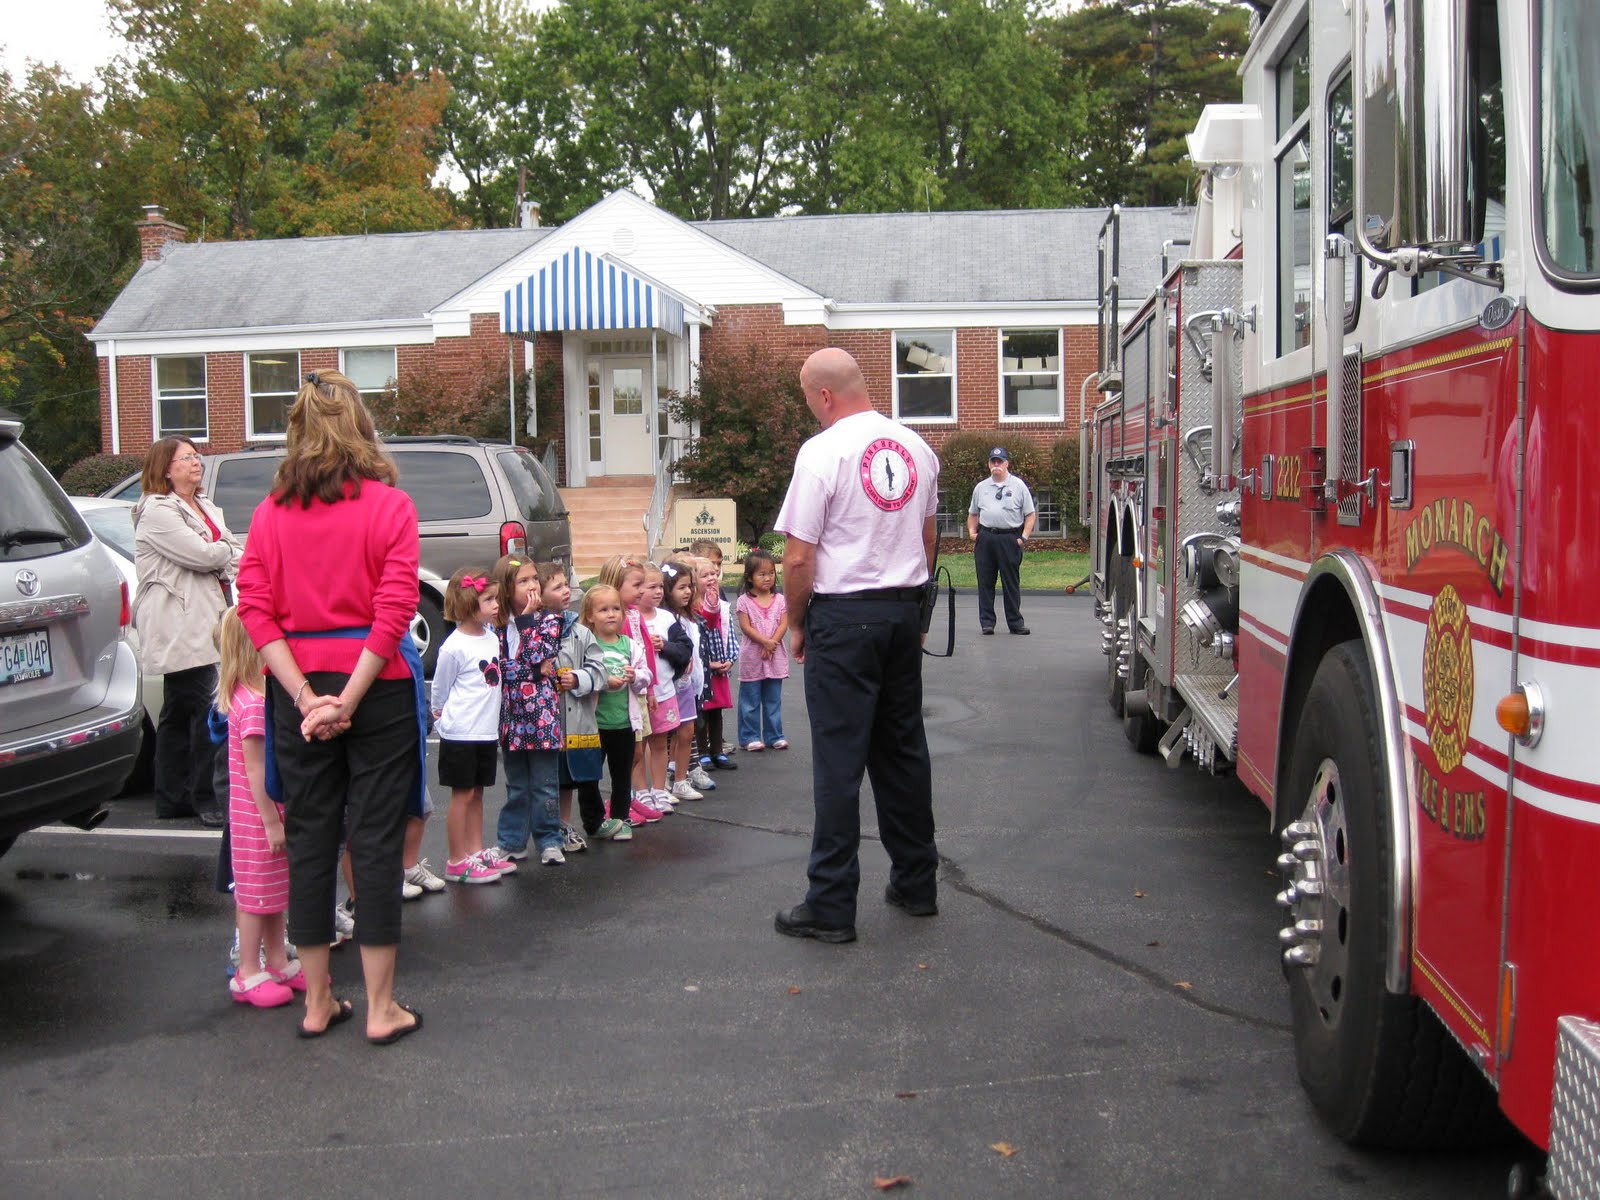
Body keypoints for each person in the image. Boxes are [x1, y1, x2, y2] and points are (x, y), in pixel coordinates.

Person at [234, 368, 422, 1044]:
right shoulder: (390, 506)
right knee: (373, 840)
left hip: (300, 689)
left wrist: (307, 695)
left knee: (311, 840)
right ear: (360, 426)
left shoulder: (268, 514)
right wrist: (349, 693)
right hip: (377, 685)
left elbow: (254, 609)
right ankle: (380, 1007)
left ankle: (316, 1002)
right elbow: (395, 607)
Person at [772, 347, 941, 944]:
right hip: (899, 610)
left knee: (840, 762)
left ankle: (831, 904)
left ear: (823, 396)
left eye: (806, 399)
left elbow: (798, 554)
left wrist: (796, 624)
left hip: (844, 618)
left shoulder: (823, 452)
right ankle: (917, 882)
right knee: (902, 751)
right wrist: (917, 610)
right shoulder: (916, 447)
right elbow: (927, 534)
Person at [132, 435, 244, 828]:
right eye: (186, 458)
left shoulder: (206, 506)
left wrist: (221, 550)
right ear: (165, 468)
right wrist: (221, 550)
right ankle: (207, 797)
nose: (196, 463)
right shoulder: (157, 511)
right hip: (180, 623)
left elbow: (228, 551)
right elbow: (202, 555)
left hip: (208, 617)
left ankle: (171, 797)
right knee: (207, 707)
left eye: (197, 456)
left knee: (178, 712)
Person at [215, 607, 301, 1008]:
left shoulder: (252, 697)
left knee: (273, 891)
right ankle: (248, 969)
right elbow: (255, 771)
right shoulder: (251, 705)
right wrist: (272, 821)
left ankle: (278, 959)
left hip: (263, 816)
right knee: (254, 896)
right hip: (257, 819)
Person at [487, 553, 566, 866]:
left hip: (541, 715)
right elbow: (500, 668)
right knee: (517, 785)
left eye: (535, 579)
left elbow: (540, 655)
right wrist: (532, 670)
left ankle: (549, 839)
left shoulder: (549, 619)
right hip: (511, 716)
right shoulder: (495, 624)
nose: (532, 585)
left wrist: (527, 622)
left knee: (545, 784)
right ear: (507, 588)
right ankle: (511, 841)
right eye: (524, 581)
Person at [430, 568, 505, 884]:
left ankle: (475, 851)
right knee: (461, 796)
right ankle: (456, 858)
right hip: (461, 732)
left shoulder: (492, 638)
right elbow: (440, 686)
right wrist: (438, 712)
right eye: (489, 600)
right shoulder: (454, 645)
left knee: (477, 794)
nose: (496, 605)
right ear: (468, 604)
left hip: (485, 731)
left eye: (495, 598)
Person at [578, 584, 648, 840]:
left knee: (621, 775)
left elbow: (646, 675)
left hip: (623, 723)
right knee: (589, 776)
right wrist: (604, 680)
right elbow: (582, 678)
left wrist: (635, 675)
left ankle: (620, 819)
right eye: (603, 609)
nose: (611, 614)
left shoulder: (629, 645)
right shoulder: (587, 645)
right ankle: (594, 822)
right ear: (590, 617)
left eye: (616, 609)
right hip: (593, 724)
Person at [544, 560, 606, 853]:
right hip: (546, 722)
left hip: (576, 721)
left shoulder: (580, 633)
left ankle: (564, 826)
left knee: (568, 780)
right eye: (557, 587)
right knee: (545, 780)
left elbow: (599, 669)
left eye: (566, 584)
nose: (566, 591)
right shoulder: (530, 631)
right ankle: (545, 831)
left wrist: (579, 678)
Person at [966, 447, 1036, 635]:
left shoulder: (1018, 486)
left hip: (1009, 539)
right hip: (986, 538)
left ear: (1007, 464)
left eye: (1000, 461)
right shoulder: (981, 488)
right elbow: (973, 514)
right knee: (985, 582)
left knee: (1010, 582)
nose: (996, 465)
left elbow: (1030, 514)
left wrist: (1023, 538)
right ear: (989, 464)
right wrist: (973, 533)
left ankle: (1015, 623)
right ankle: (987, 623)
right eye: (993, 461)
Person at [661, 558, 705, 803]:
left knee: (687, 731)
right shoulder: (666, 618)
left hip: (689, 683)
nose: (688, 591)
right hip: (671, 683)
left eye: (690, 586)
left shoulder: (689, 617)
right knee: (668, 733)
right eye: (681, 587)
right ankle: (665, 777)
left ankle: (681, 779)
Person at [735, 548, 789, 752]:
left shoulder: (780, 600)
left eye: (771, 573)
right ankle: (750, 736)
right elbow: (746, 627)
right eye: (762, 574)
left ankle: (774, 735)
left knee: (773, 699)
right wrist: (764, 642)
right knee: (750, 700)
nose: (768, 578)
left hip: (774, 656)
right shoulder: (743, 601)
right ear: (749, 577)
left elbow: (784, 624)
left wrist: (772, 642)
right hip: (752, 657)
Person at [696, 557, 739, 770]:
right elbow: (703, 631)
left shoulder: (721, 605)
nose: (712, 578)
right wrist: (708, 663)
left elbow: (729, 632)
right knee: (702, 711)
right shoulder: (692, 605)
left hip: (720, 666)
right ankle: (702, 751)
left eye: (714, 573)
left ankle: (717, 750)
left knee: (717, 712)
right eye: (705, 575)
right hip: (704, 668)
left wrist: (730, 658)